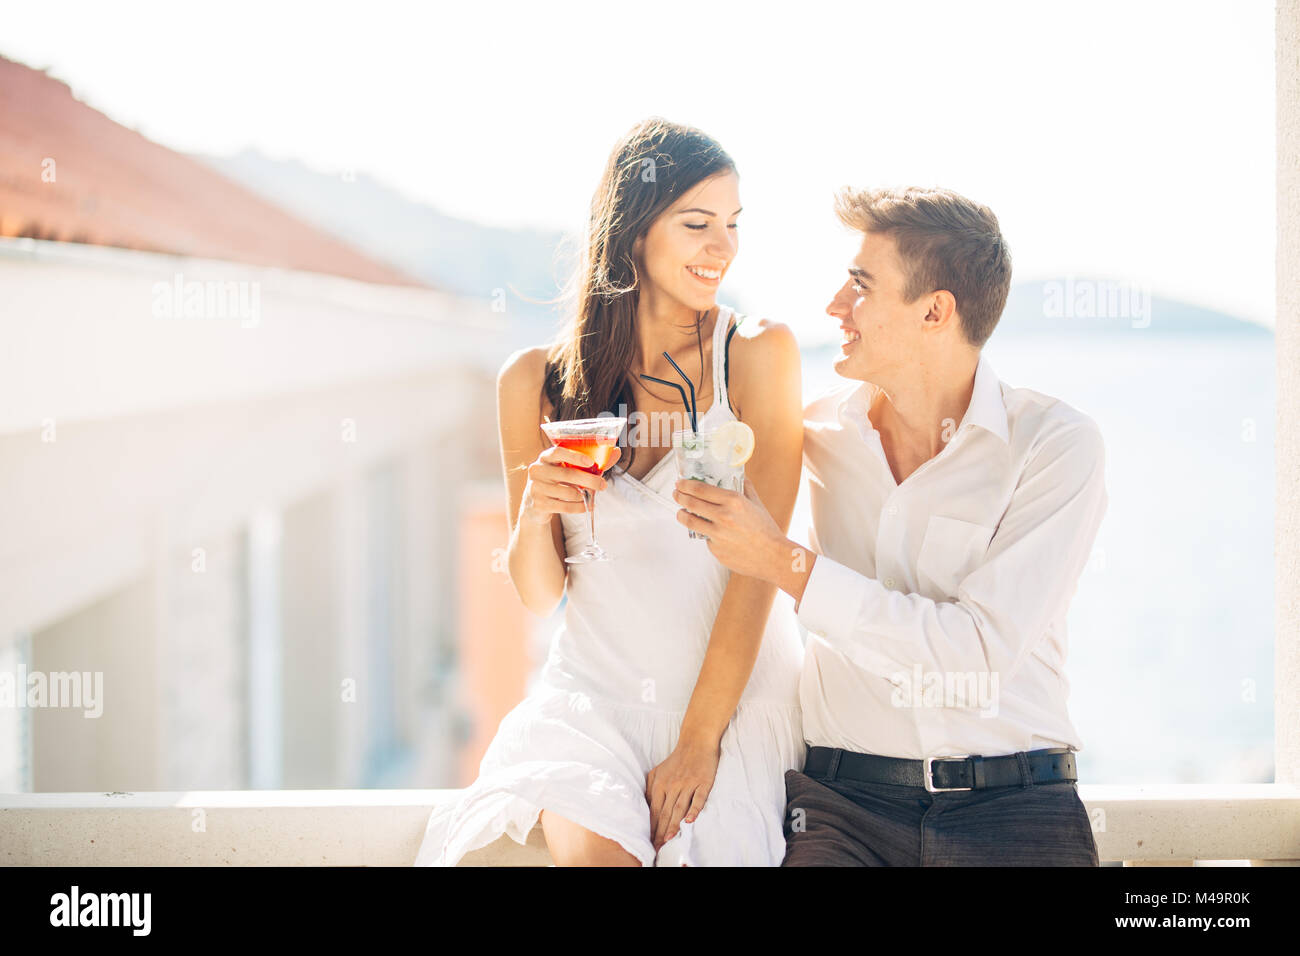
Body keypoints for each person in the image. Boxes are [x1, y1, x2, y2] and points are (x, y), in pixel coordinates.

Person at [672, 185, 1106, 866]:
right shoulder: (808, 433)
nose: (834, 307)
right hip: (843, 810)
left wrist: (783, 561)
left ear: (935, 310)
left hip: (1016, 809)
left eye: (860, 287)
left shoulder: (1054, 447)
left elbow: (978, 654)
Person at [414, 118, 805, 867]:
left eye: (732, 225)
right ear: (632, 233)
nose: (722, 247)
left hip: (731, 711)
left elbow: (761, 567)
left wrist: (697, 743)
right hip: (592, 706)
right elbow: (538, 594)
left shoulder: (757, 355)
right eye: (697, 224)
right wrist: (536, 511)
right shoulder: (534, 382)